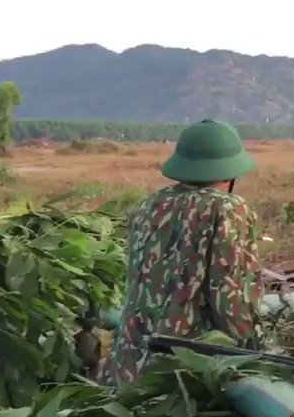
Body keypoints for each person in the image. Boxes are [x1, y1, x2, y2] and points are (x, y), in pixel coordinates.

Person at [100, 119, 263, 385]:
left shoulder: (147, 206)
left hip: (126, 368)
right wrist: (257, 355)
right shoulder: (228, 210)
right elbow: (232, 303)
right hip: (181, 375)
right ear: (230, 172)